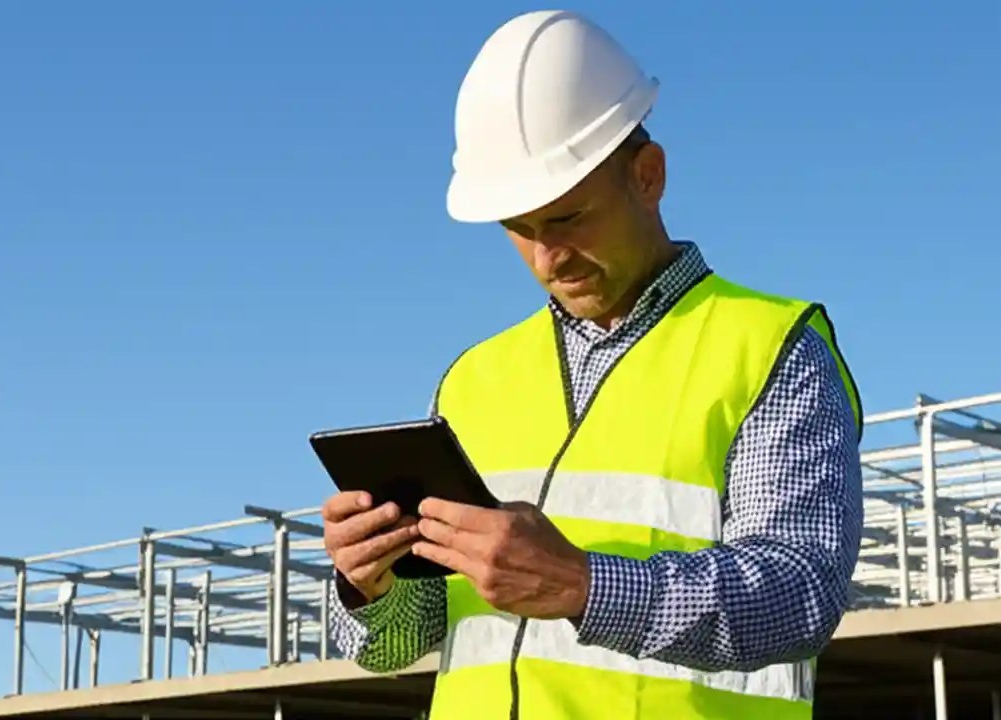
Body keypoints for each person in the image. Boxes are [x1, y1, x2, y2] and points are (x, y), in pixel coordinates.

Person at [321, 9, 863, 720]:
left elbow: (799, 593)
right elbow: (399, 647)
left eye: (569, 218)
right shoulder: (475, 379)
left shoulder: (769, 349)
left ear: (648, 175)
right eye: (521, 229)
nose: (548, 258)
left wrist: (581, 584)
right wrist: (369, 587)